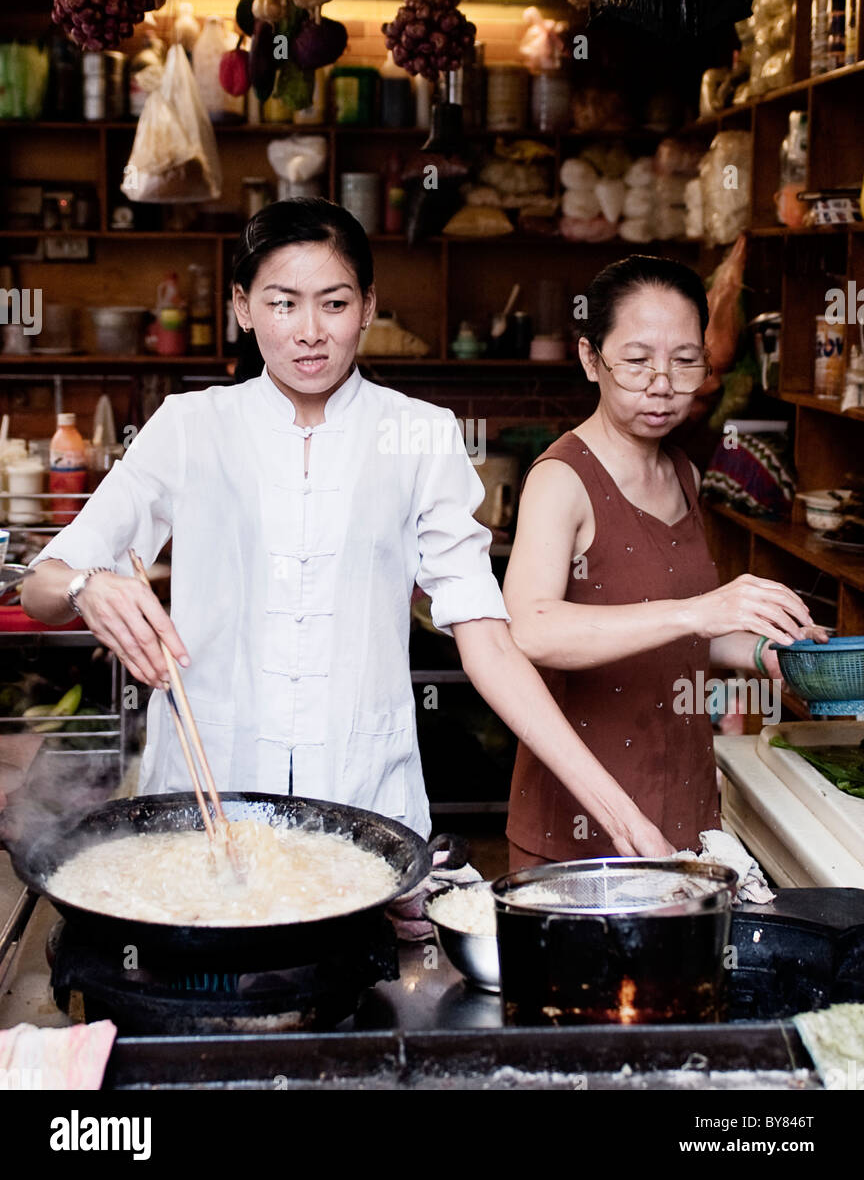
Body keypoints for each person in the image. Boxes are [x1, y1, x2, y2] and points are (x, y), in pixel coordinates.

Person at [22, 201, 673, 856]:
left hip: (363, 814)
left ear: (367, 307)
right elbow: (39, 587)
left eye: (333, 304)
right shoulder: (189, 428)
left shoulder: (420, 436)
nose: (310, 331)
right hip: (204, 808)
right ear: (243, 308)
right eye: (283, 304)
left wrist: (616, 810)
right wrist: (85, 586)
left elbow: (489, 642)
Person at [502, 254, 824, 871]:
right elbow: (530, 629)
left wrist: (765, 649)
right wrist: (699, 611)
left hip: (681, 802)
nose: (662, 382)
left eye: (684, 361)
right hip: (581, 821)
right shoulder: (562, 478)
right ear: (590, 359)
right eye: (637, 359)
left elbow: (680, 639)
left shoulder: (681, 471)